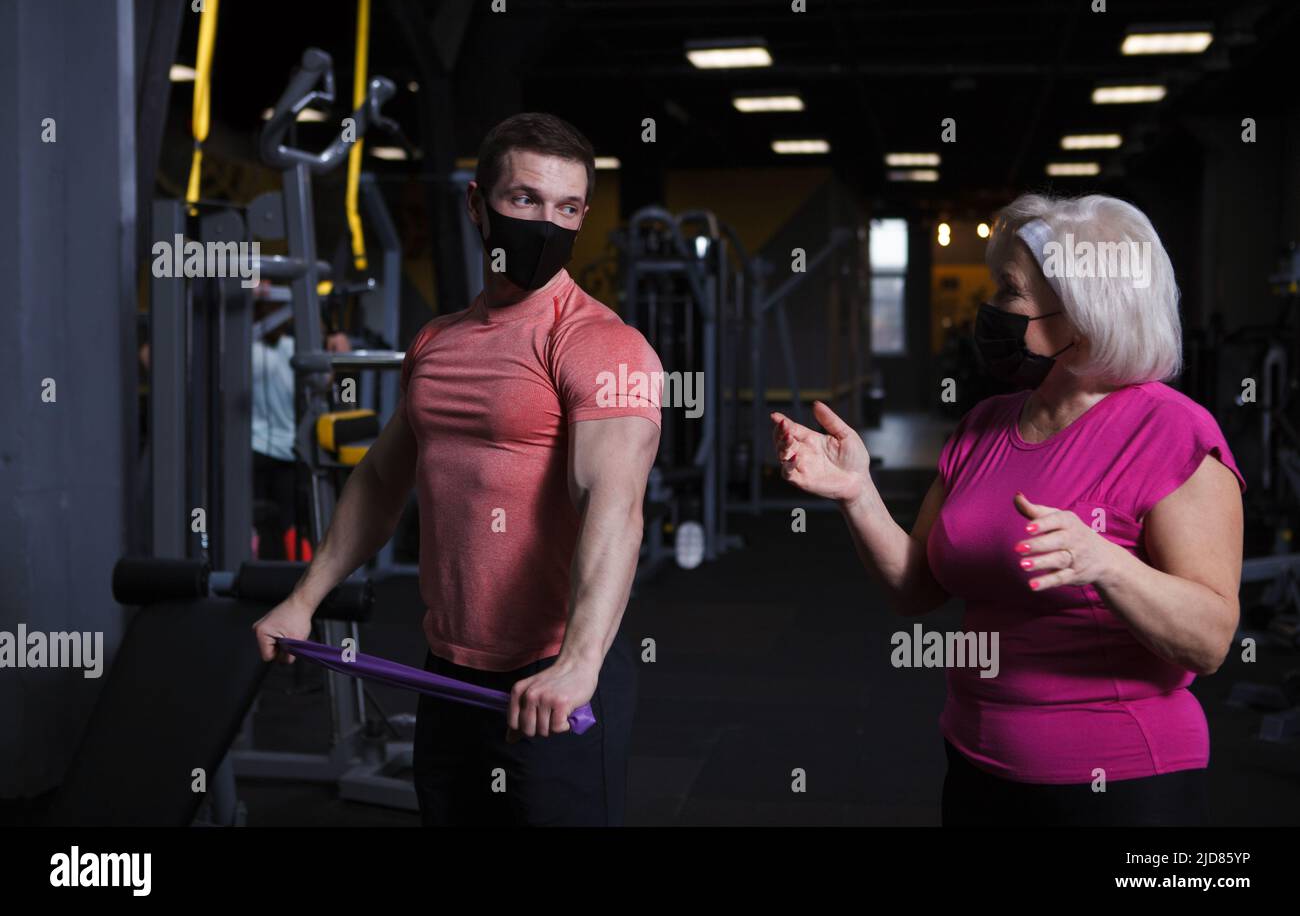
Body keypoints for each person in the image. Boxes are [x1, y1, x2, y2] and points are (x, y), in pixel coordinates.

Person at [773, 193, 1245, 826]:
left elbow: (1210, 641)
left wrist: (1107, 563)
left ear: (1084, 309)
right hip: (977, 762)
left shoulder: (1173, 432)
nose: (990, 305)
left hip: (1122, 781)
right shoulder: (985, 424)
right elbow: (915, 589)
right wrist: (858, 492)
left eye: (1010, 289)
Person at [252, 112, 662, 826]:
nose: (545, 223)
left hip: (554, 675)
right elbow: (382, 481)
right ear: (477, 205)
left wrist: (580, 663)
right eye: (524, 200)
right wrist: (305, 598)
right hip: (447, 673)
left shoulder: (601, 345)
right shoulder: (437, 342)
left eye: (567, 208)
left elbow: (614, 504)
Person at [250, 284, 350, 560]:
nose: (281, 319)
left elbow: (326, 382)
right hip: (252, 452)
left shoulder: (292, 349)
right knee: (255, 524)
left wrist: (336, 354)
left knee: (290, 526)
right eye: (272, 310)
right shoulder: (244, 348)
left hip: (289, 451)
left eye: (282, 312)